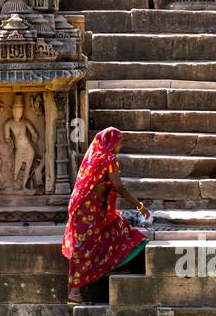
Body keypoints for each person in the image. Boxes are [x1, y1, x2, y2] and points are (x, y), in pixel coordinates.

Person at [61, 127, 150, 304]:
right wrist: (139, 205)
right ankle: (75, 292)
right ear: (111, 142)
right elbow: (119, 186)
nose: (120, 145)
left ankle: (116, 266)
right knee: (83, 247)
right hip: (89, 210)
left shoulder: (94, 157)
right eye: (119, 141)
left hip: (91, 208)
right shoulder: (108, 159)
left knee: (119, 229)